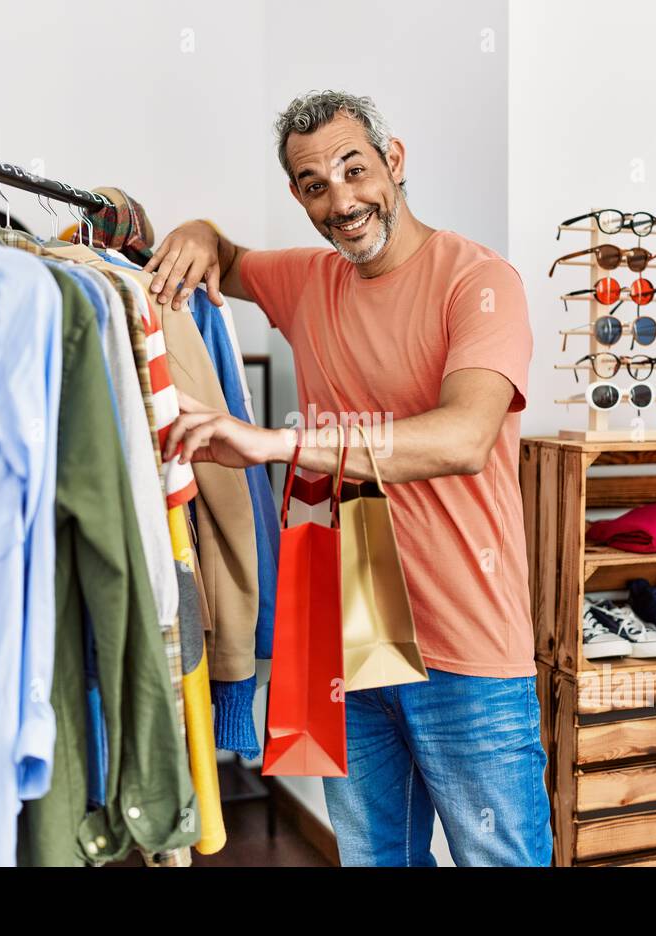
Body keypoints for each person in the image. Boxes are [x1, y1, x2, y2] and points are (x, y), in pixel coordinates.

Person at [150, 90, 549, 867]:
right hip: (346, 633)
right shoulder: (307, 280)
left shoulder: (480, 283)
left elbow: (465, 437)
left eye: (353, 170)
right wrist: (198, 231)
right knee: (372, 858)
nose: (340, 200)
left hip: (466, 641)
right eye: (312, 185)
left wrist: (276, 444)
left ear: (393, 162)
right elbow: (226, 261)